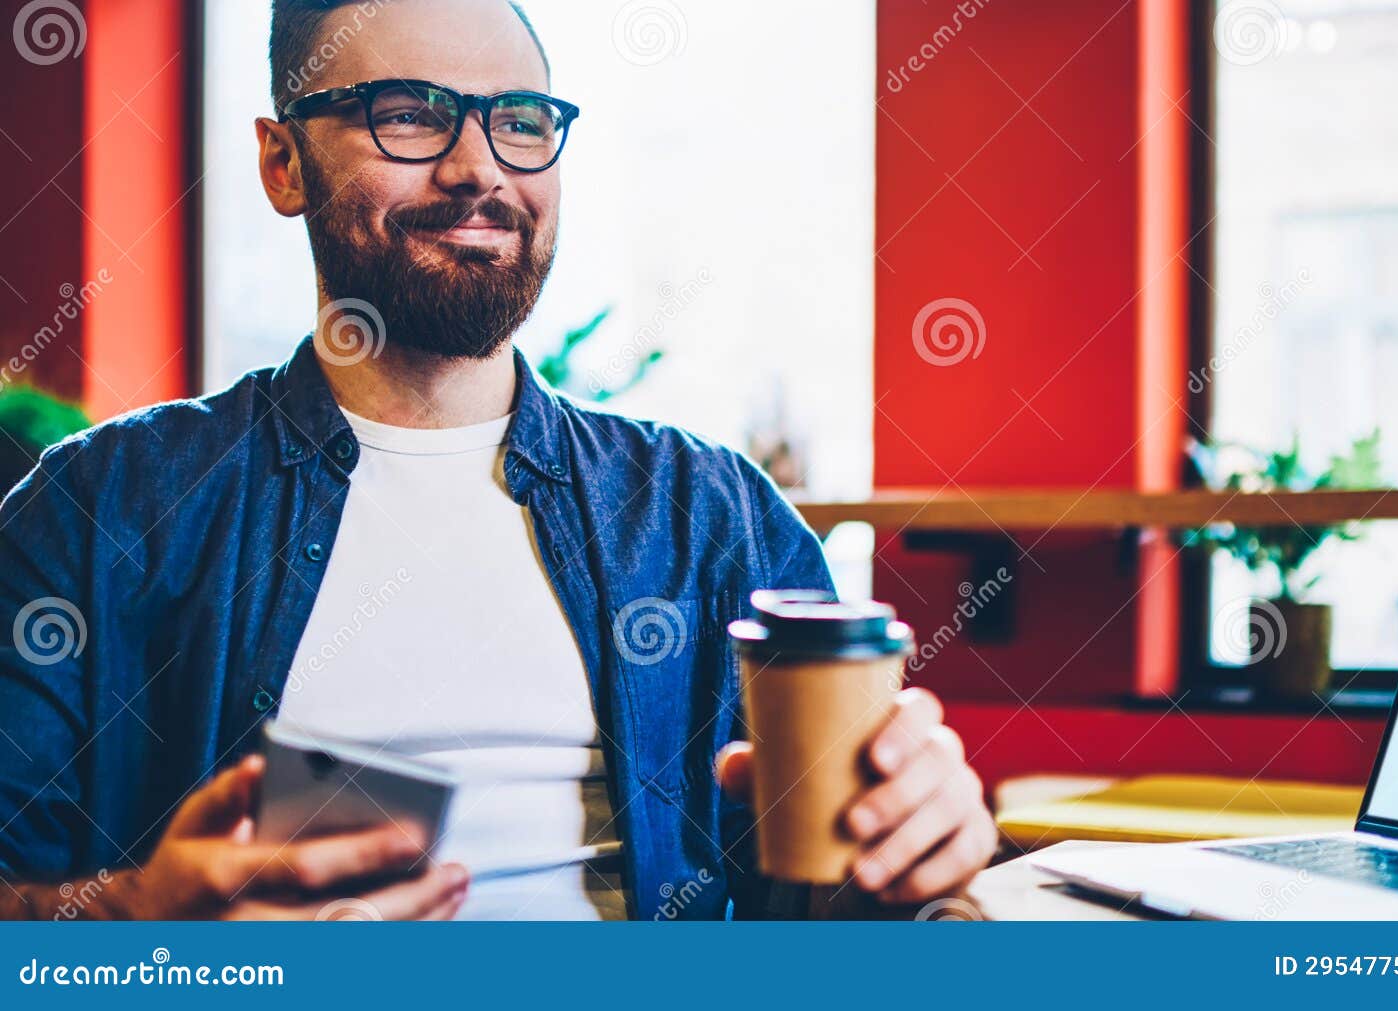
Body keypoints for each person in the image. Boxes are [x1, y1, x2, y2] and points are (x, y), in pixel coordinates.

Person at [0, 0, 997, 921]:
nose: (480, 167)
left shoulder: (709, 513)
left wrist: (913, 852)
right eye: (409, 113)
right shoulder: (103, 510)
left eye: (518, 120)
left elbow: (826, 908)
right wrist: (136, 925)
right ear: (282, 163)